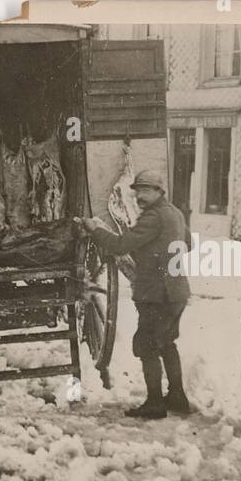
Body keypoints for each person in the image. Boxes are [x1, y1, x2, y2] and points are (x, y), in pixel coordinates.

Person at [77, 168, 192, 419]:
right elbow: (188, 245)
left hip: (156, 295)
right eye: (137, 190)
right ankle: (177, 397)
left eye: (145, 190)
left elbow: (120, 245)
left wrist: (95, 229)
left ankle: (154, 403)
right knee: (167, 343)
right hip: (176, 293)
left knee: (147, 345)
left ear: (158, 191)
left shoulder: (153, 217)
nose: (140, 195)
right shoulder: (175, 213)